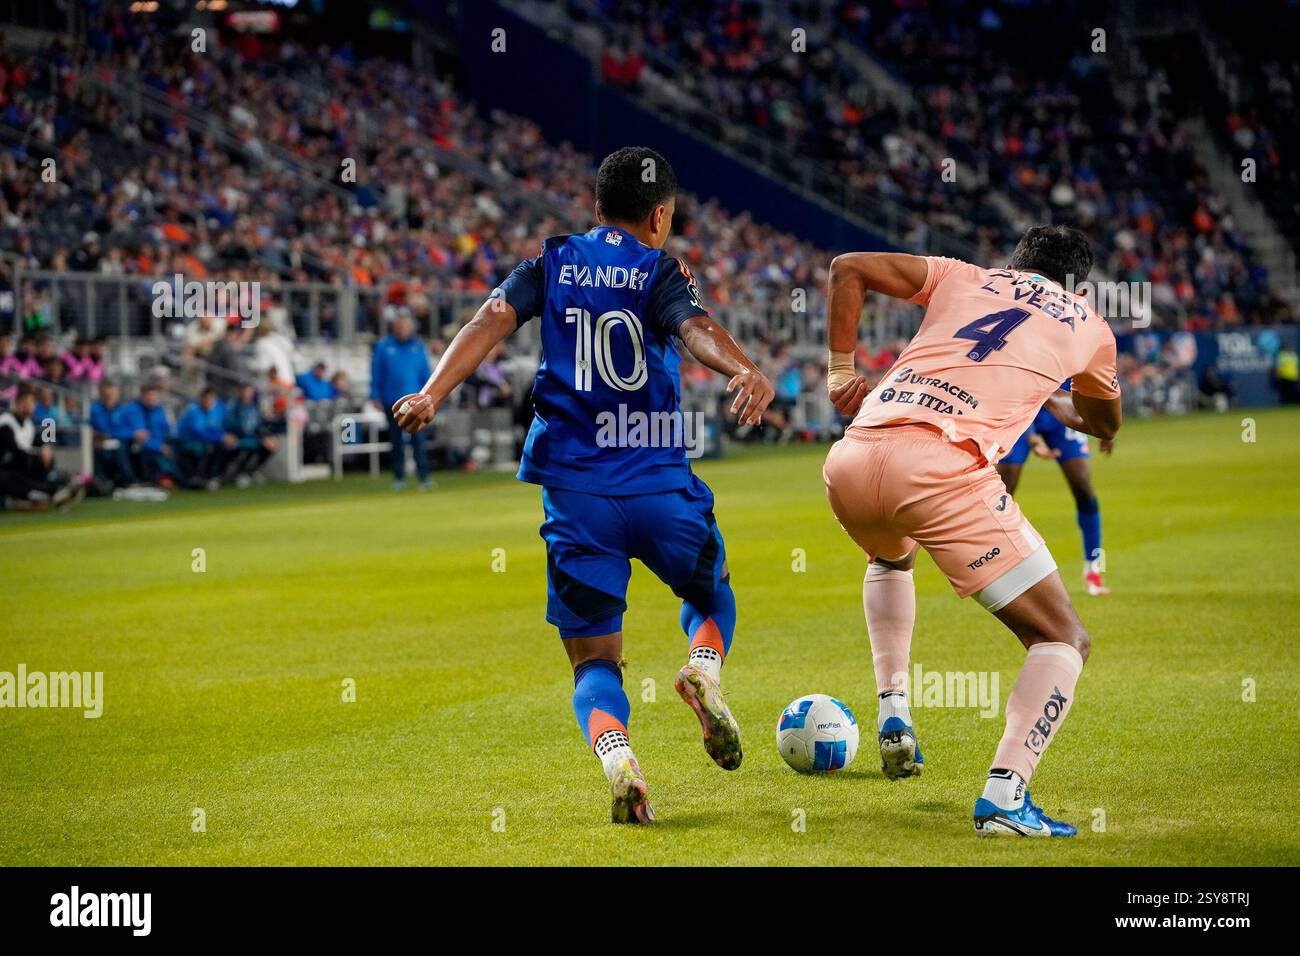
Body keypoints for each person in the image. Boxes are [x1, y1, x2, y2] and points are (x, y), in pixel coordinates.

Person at [391, 146, 775, 824]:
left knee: (594, 659)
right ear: (660, 216)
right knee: (711, 593)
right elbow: (696, 329)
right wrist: (742, 369)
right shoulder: (660, 268)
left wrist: (430, 393)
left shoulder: (551, 263)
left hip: (573, 490)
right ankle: (704, 672)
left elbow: (489, 320)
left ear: (598, 208)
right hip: (657, 481)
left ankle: (619, 759)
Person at [820, 225, 1122, 837]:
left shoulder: (963, 275)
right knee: (1062, 638)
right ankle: (1006, 798)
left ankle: (895, 712)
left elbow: (847, 266)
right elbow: (1103, 420)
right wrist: (1057, 394)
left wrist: (839, 371)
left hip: (854, 455)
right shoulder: (1088, 323)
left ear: (1016, 262)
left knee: (890, 558)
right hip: (941, 468)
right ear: (1076, 283)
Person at [997, 405, 1114, 595]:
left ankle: (1095, 570)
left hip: (1062, 413)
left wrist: (1106, 424)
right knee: (1001, 497)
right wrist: (1032, 436)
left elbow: (1092, 384)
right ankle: (996, 571)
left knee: (1084, 489)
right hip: (1020, 412)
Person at [370, 313, 433, 490]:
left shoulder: (418, 347)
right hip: (392, 401)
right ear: (394, 328)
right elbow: (377, 372)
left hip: (416, 404)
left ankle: (424, 477)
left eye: (405, 326)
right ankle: (399, 478)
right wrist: (375, 394)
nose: (402, 330)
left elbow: (426, 374)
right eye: (399, 326)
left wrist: (429, 396)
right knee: (396, 442)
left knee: (419, 441)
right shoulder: (383, 347)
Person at [0, 384, 82, 509]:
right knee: (16, 475)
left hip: (19, 469)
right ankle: (51, 492)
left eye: (31, 402)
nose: (28, 405)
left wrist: (45, 448)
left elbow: (37, 443)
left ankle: (42, 493)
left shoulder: (28, 425)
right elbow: (15, 452)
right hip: (6, 470)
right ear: (16, 403)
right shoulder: (6, 423)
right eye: (24, 401)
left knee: (44, 458)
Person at [120, 383, 177, 486]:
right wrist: (158, 446)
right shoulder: (131, 410)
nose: (151, 398)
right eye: (148, 396)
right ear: (141, 396)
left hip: (159, 445)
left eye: (154, 395)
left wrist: (163, 445)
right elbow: (134, 434)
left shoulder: (160, 411)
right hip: (141, 447)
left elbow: (166, 432)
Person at [176, 388, 233, 488]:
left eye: (211, 399)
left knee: (225, 446)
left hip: (205, 441)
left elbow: (218, 428)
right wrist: (220, 438)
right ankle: (198, 478)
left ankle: (213, 476)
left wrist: (225, 436)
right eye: (207, 399)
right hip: (187, 442)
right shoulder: (193, 412)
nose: (209, 402)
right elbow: (197, 432)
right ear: (201, 399)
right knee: (210, 447)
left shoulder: (215, 411)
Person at [223, 383, 278, 486]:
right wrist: (259, 438)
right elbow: (233, 426)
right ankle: (239, 474)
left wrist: (266, 437)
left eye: (250, 390)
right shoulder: (233, 407)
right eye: (245, 390)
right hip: (237, 437)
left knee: (270, 446)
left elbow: (259, 426)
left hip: (253, 438)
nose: (248, 393)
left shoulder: (254, 406)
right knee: (246, 446)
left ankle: (249, 472)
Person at [89, 381, 138, 487]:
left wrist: (115, 435)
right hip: (101, 443)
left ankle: (128, 480)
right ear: (101, 394)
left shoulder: (123, 410)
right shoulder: (94, 410)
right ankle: (127, 481)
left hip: (122, 441)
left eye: (112, 394)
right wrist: (97, 434)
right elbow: (92, 428)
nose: (109, 397)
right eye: (106, 395)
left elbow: (131, 430)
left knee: (120, 448)